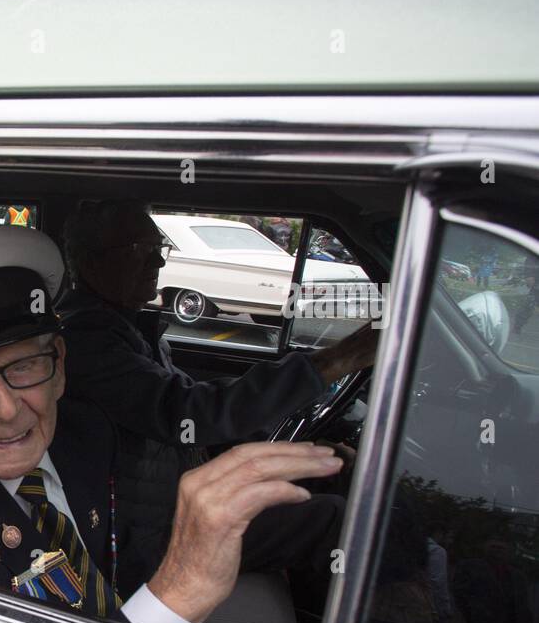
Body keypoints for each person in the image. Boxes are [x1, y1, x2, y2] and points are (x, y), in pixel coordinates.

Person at [0, 226, 345, 623]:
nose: (6, 409)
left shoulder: (85, 436)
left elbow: (123, 566)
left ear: (61, 367)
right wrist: (181, 594)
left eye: (25, 366)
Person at [57, 199, 373, 595]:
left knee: (330, 477)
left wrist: (294, 454)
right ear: (89, 262)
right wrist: (334, 361)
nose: (157, 264)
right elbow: (190, 411)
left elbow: (197, 417)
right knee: (334, 519)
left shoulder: (127, 328)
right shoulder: (87, 341)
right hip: (149, 541)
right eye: (140, 251)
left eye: (159, 250)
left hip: (173, 504)